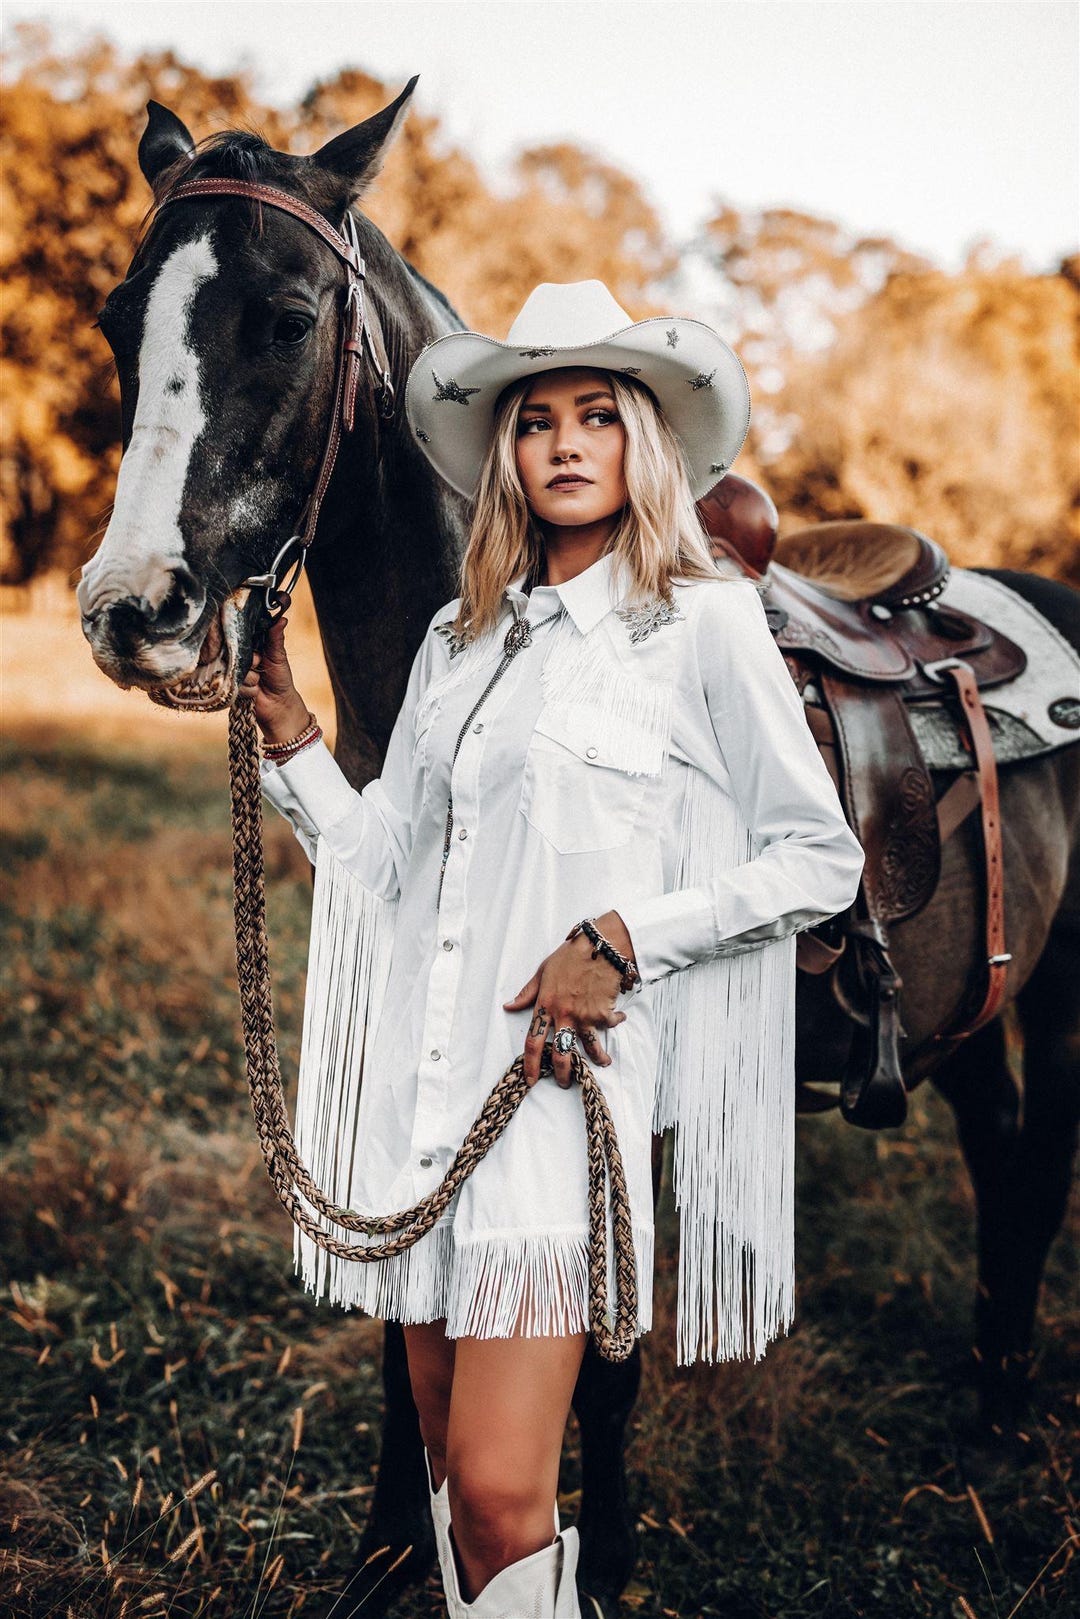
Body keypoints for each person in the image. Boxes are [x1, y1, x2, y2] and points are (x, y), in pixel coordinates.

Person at [243, 280, 865, 1617]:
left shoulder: (700, 626)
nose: (565, 444)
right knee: (451, 1495)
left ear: (644, 446)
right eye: (537, 423)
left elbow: (820, 857)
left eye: (598, 416)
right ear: (507, 459)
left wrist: (627, 937)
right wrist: (295, 739)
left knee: (498, 1487)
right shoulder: (456, 642)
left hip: (550, 1110)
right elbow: (387, 867)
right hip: (427, 1111)